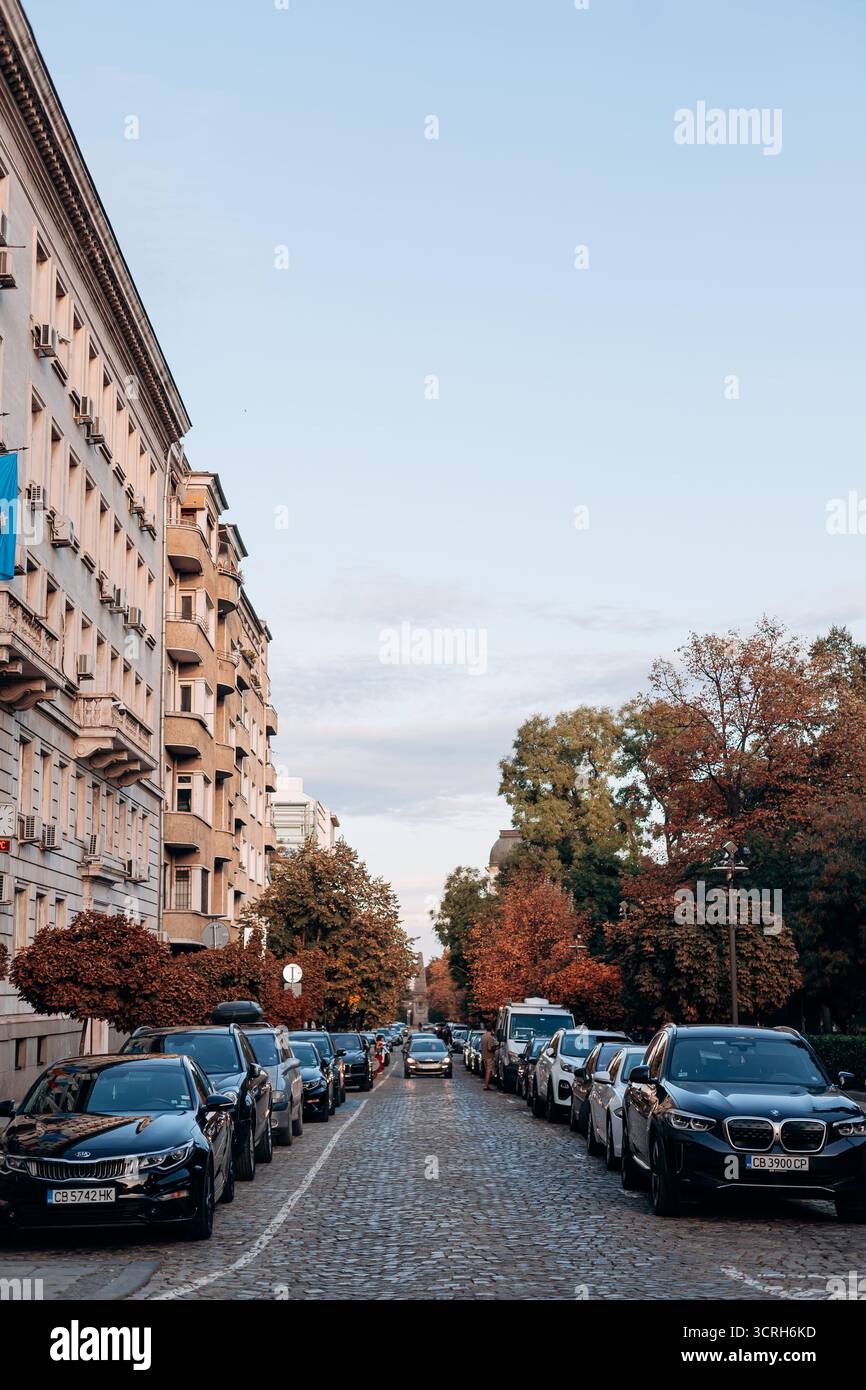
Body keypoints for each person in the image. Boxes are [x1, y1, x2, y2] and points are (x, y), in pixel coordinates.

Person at [481, 1022, 498, 1090]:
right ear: (492, 1029)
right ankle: (486, 1085)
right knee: (488, 1071)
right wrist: (497, 1047)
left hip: (484, 1056)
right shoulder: (490, 1037)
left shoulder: (483, 1036)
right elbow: (489, 1048)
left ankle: (487, 1084)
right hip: (489, 1056)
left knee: (487, 1071)